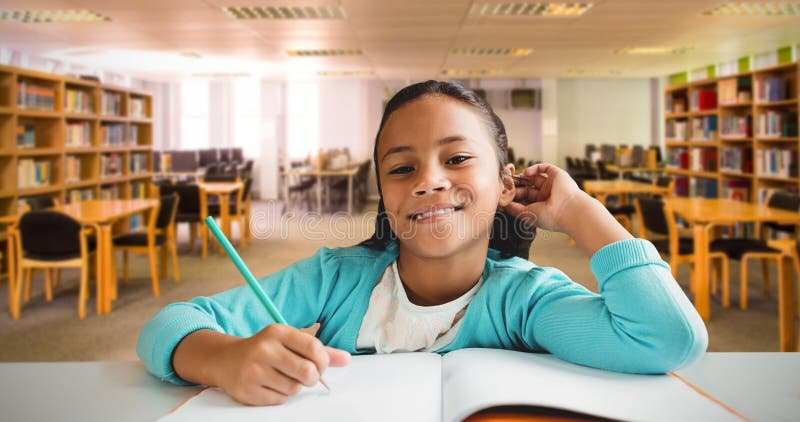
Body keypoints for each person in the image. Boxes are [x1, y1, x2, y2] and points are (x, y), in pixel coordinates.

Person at [137, 80, 707, 406]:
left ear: (506, 182)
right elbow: (169, 325)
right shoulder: (336, 276)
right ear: (383, 192)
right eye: (401, 168)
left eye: (457, 159)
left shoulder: (524, 299)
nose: (429, 181)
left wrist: (581, 212)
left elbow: (666, 340)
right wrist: (220, 357)